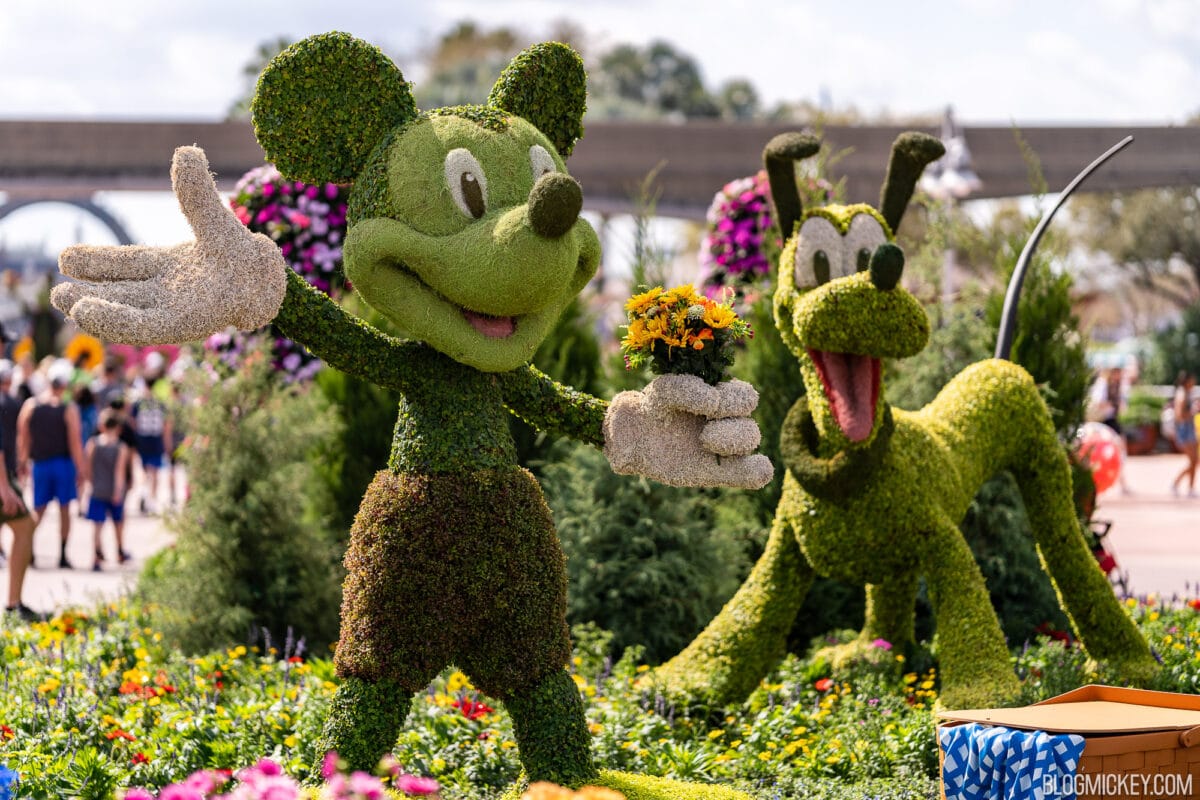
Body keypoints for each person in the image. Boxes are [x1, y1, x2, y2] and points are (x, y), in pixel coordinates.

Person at [17, 360, 88, 569]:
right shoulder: (68, 409)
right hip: (63, 464)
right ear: (64, 384)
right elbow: (75, 441)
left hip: (40, 465)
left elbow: (23, 438)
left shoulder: (31, 405)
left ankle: (27, 549)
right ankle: (63, 555)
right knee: (65, 510)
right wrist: (81, 468)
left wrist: (22, 462)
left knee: (38, 509)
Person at [0, 359, 37, 620]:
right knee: (25, 525)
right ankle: (13, 603)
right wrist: (3, 486)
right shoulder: (6, 402)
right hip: (2, 478)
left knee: (24, 525)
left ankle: (14, 603)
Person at [85, 409, 131, 571]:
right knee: (118, 523)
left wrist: (90, 484)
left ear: (101, 426)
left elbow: (88, 467)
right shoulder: (121, 447)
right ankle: (119, 551)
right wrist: (118, 491)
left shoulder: (93, 444)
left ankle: (96, 556)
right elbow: (119, 472)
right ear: (118, 428)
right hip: (113, 490)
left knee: (97, 525)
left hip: (97, 489)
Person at [1170, 371, 1197, 498]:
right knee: (1193, 461)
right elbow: (1179, 415)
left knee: (1194, 461)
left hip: (1188, 429)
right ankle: (1178, 484)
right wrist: (1192, 413)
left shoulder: (1186, 393)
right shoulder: (1182, 394)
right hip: (1185, 430)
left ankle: (1187, 487)